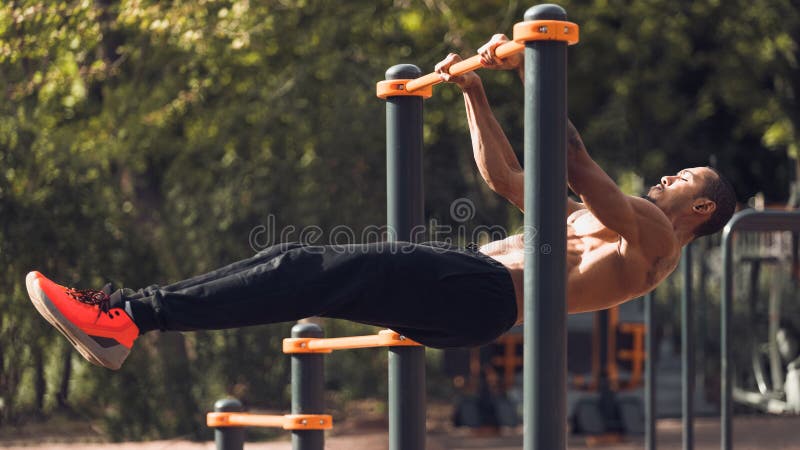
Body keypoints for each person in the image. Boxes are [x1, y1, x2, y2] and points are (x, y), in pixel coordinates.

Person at [25, 36, 736, 370]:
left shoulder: (654, 241)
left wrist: (533, 67)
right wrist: (475, 92)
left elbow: (574, 160)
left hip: (485, 294)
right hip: (470, 301)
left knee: (303, 264)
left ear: (700, 210)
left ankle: (129, 316)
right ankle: (128, 318)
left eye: (684, 178)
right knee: (294, 267)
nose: (669, 177)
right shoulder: (606, 225)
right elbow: (512, 183)